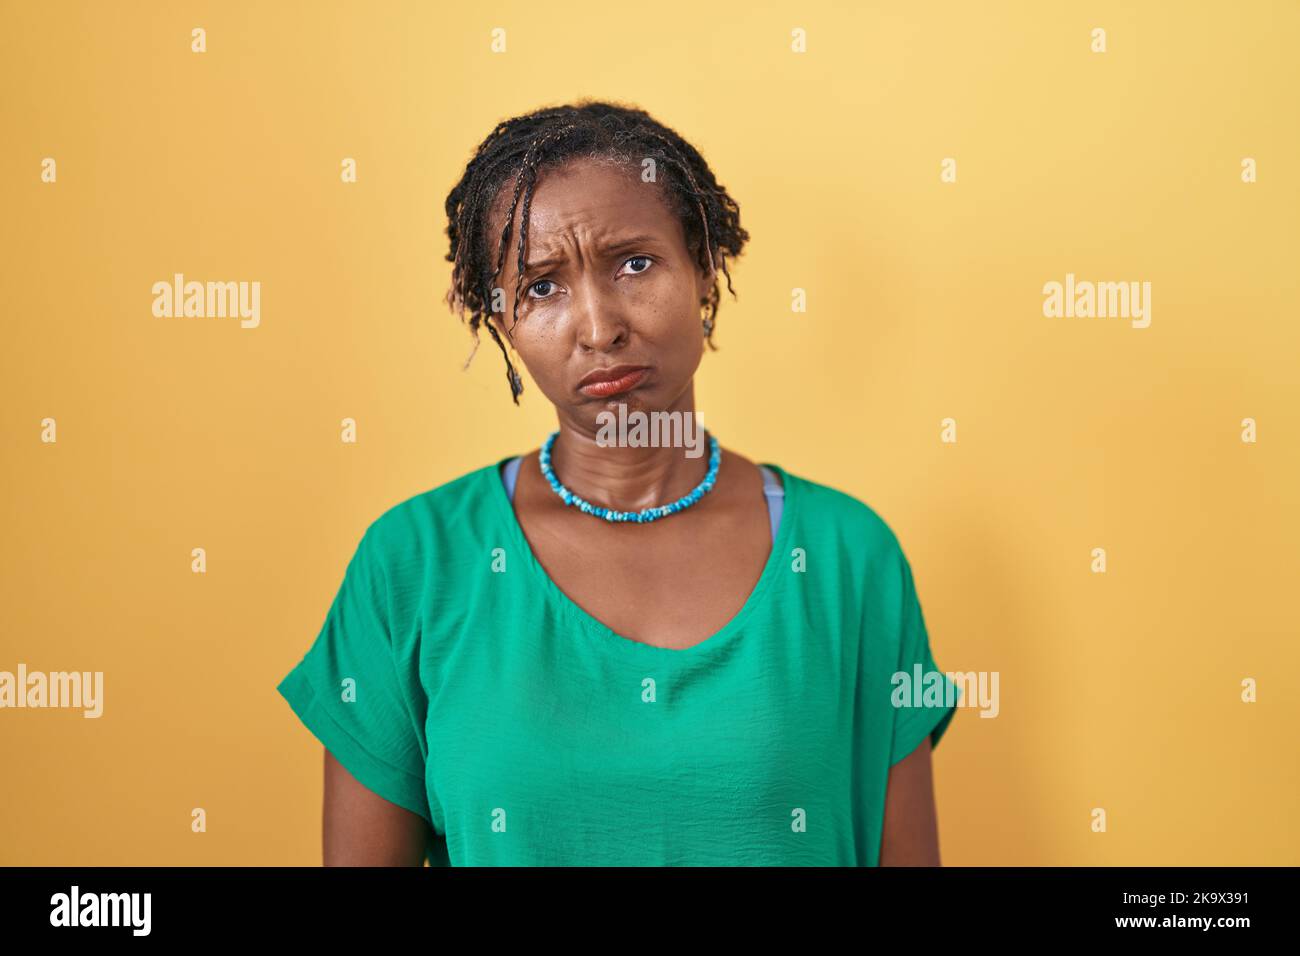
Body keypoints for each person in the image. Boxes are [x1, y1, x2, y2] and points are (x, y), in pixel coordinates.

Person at [277, 99, 959, 866]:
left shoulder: (848, 559)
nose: (599, 326)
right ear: (497, 318)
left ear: (705, 269)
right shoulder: (411, 566)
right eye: (540, 287)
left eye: (635, 263)